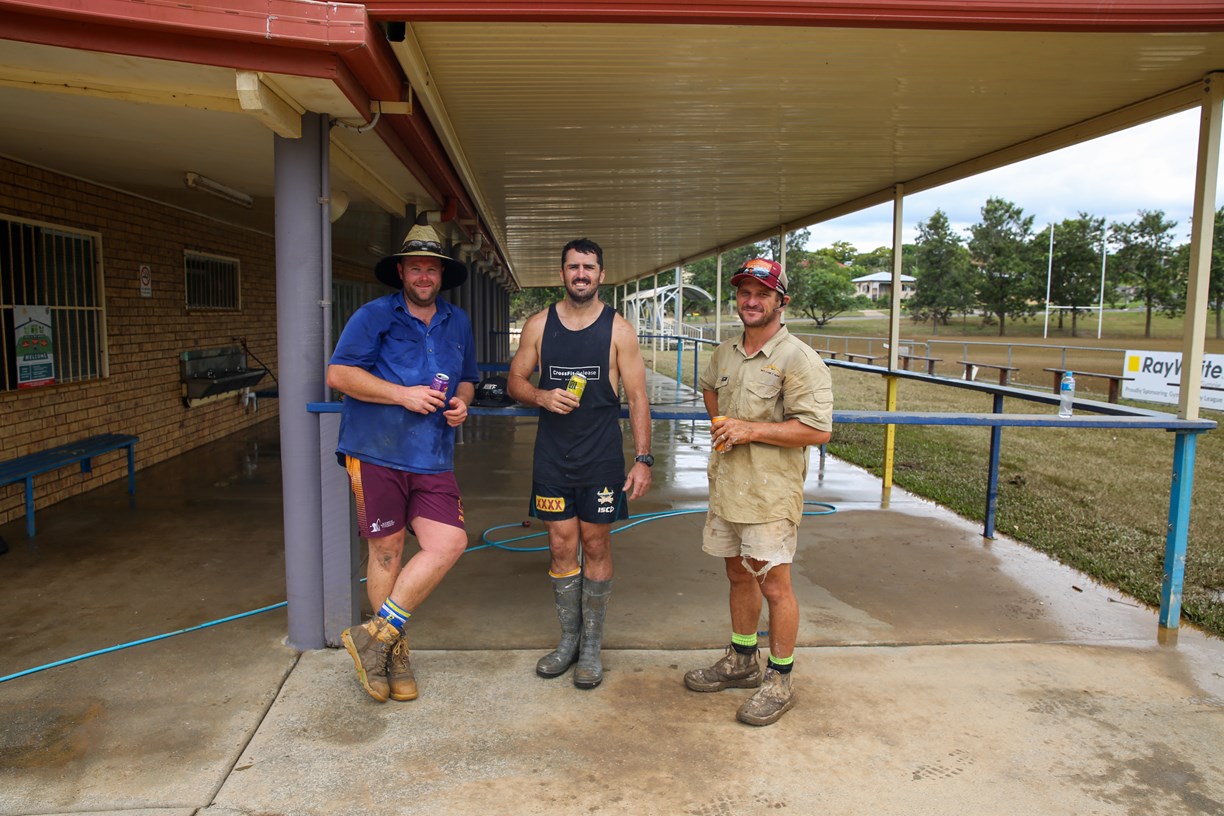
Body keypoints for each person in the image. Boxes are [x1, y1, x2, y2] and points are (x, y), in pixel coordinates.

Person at [326, 223, 479, 703]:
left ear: (441, 274)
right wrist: (401, 395)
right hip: (377, 450)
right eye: (415, 266)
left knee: (450, 541)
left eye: (431, 267)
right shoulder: (373, 316)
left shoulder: (459, 321)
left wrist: (462, 402)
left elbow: (469, 378)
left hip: (432, 454)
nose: (423, 275)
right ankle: (392, 655)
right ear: (401, 271)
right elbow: (338, 374)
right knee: (387, 550)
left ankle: (374, 637)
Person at [686, 257, 833, 726]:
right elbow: (709, 388)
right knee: (737, 574)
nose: (751, 301)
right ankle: (741, 660)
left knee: (775, 584)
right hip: (729, 487)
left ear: (781, 302)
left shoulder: (798, 359)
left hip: (770, 495)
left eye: (762, 294)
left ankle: (780, 679)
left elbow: (817, 430)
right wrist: (721, 424)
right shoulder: (726, 352)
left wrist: (750, 430)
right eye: (745, 292)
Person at [507, 238, 653, 689]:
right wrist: (540, 395)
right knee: (559, 546)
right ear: (563, 273)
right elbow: (515, 380)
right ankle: (568, 639)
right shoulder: (538, 325)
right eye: (573, 267)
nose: (581, 274)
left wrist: (643, 458)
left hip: (601, 460)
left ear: (601, 274)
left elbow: (637, 397)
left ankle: (592, 644)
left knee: (595, 546)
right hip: (552, 458)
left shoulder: (619, 331)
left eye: (589, 267)